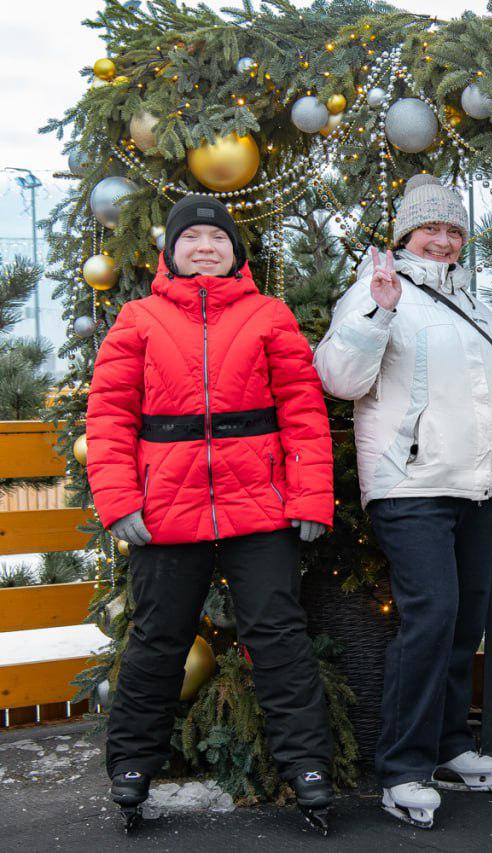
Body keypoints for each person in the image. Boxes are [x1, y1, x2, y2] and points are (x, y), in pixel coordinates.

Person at [87, 195, 336, 834]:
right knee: (156, 640)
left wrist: (309, 496)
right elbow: (111, 418)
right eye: (191, 237)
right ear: (170, 251)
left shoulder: (269, 316)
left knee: (278, 637)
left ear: (236, 251)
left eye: (217, 238)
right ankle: (132, 767)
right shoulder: (137, 320)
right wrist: (118, 502)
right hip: (166, 510)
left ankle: (307, 768)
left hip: (260, 508)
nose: (205, 246)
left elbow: (303, 412)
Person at [313, 174, 492, 829]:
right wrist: (378, 312)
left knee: (462, 620)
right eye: (430, 228)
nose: (442, 239)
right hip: (411, 485)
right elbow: (339, 377)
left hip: (480, 485)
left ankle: (447, 743)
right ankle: (403, 766)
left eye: (453, 229)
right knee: (430, 613)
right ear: (406, 234)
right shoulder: (379, 289)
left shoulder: (478, 303)